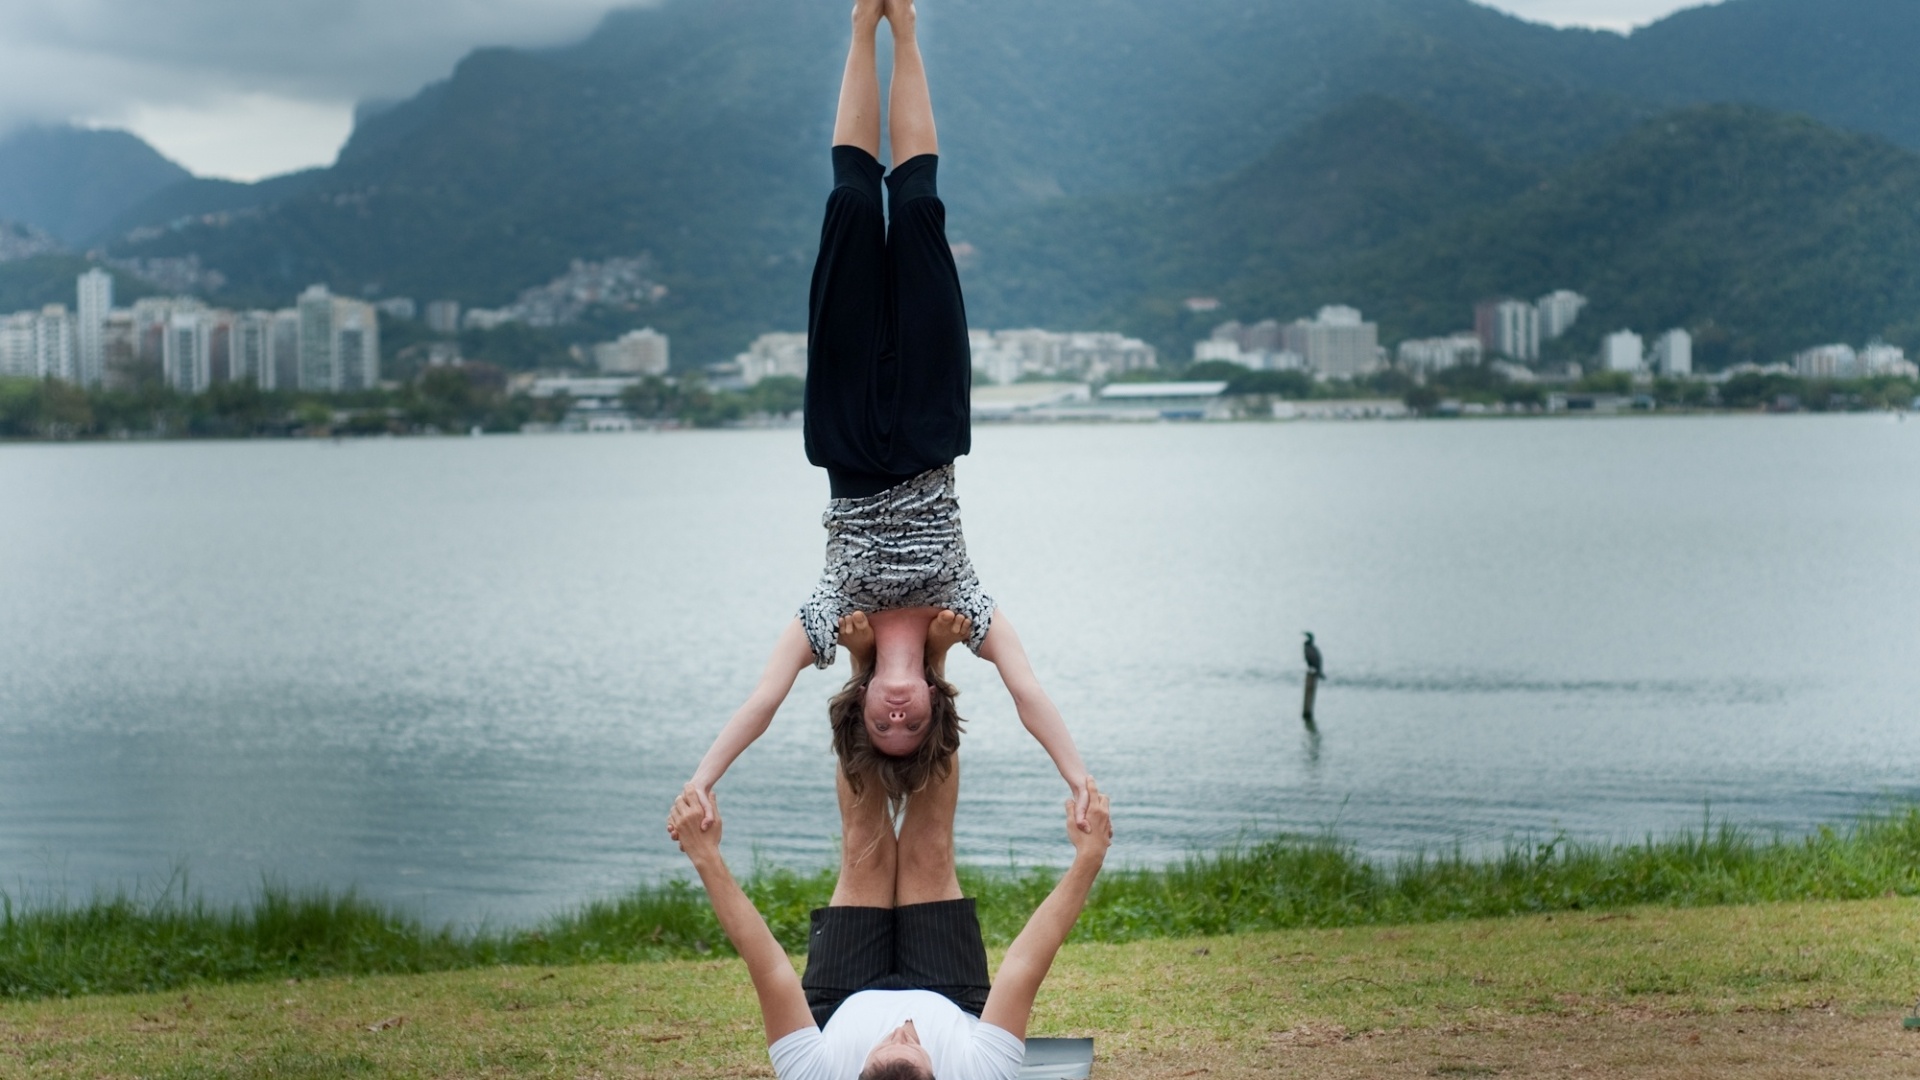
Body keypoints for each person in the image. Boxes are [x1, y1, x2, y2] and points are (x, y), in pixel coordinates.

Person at [681, 0, 1089, 828]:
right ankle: (904, 29)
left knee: (854, 207)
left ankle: (860, 25)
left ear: (862, 704)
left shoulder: (832, 619)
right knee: (921, 206)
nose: (896, 720)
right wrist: (1078, 780)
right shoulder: (963, 607)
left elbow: (763, 697)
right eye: (914, 727)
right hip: (934, 425)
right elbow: (1027, 690)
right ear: (935, 705)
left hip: (847, 435)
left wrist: (704, 778)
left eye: (882, 727)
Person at [667, 765, 1113, 1080]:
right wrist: (1089, 858)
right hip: (952, 998)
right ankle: (932, 672)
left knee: (866, 845)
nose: (903, 1027)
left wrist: (704, 855)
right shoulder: (980, 1072)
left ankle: (865, 675)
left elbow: (769, 968)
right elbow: (1022, 965)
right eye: (914, 1044)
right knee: (928, 849)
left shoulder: (814, 1074)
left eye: (887, 1043)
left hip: (841, 1001)